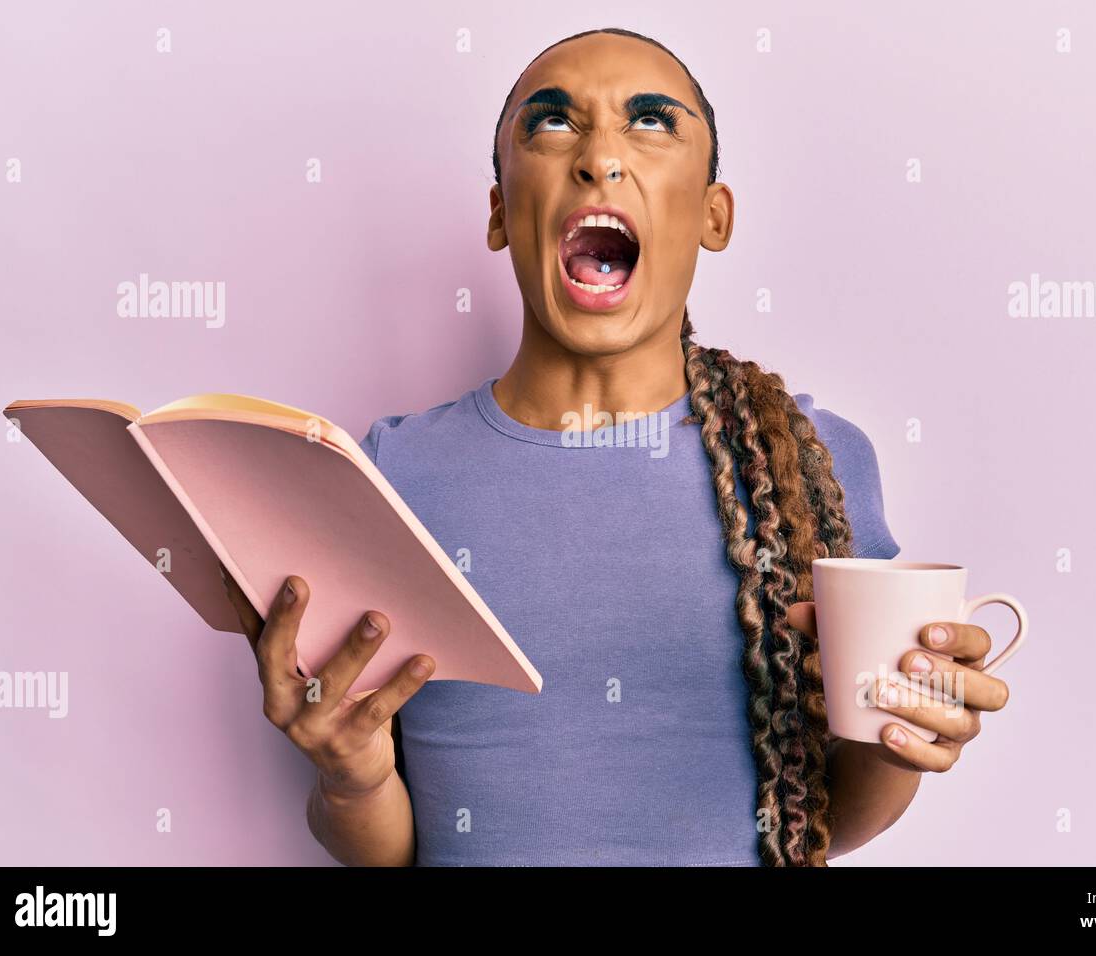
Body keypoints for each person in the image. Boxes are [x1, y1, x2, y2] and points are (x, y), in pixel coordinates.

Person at [221, 27, 1012, 867]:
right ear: (498, 212)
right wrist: (353, 781)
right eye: (553, 124)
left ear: (714, 215)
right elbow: (389, 848)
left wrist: (902, 741)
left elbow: (826, 818)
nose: (599, 157)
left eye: (650, 122)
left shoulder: (813, 462)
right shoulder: (387, 475)